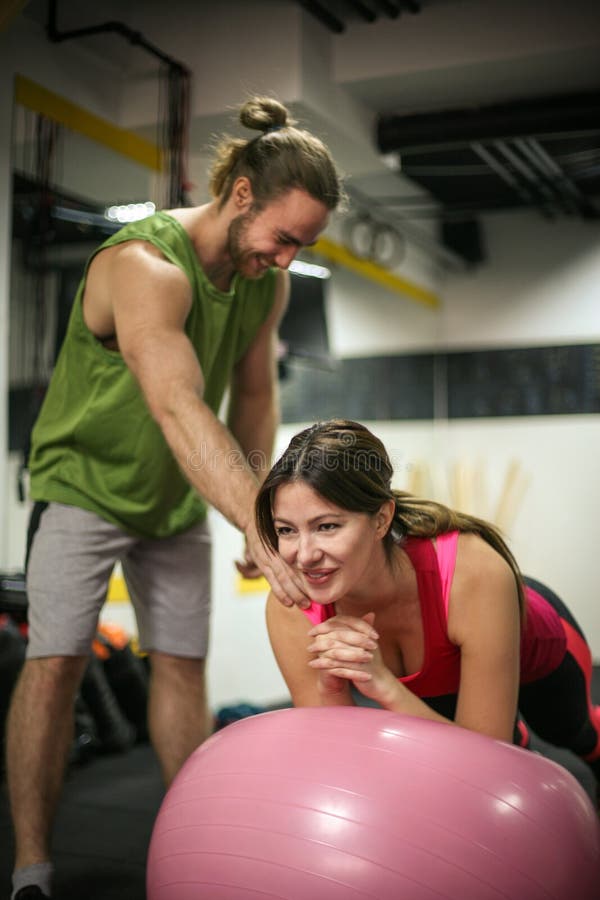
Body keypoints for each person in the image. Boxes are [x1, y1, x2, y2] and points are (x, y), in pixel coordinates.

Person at [6, 96, 343, 900]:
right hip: (82, 483)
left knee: (182, 666)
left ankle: (193, 845)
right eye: (284, 237)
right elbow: (179, 404)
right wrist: (260, 527)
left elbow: (254, 397)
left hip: (177, 497)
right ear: (239, 197)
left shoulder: (267, 286)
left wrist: (261, 504)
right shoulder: (143, 266)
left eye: (305, 244)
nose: (289, 257)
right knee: (54, 663)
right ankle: (30, 869)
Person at [257, 419, 600, 804]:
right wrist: (331, 686)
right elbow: (343, 755)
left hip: (540, 646)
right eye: (286, 530)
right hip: (441, 685)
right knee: (468, 762)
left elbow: (487, 759)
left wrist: (384, 685)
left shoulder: (476, 573)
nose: (304, 556)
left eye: (327, 526)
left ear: (381, 520)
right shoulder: (291, 605)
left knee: (571, 733)